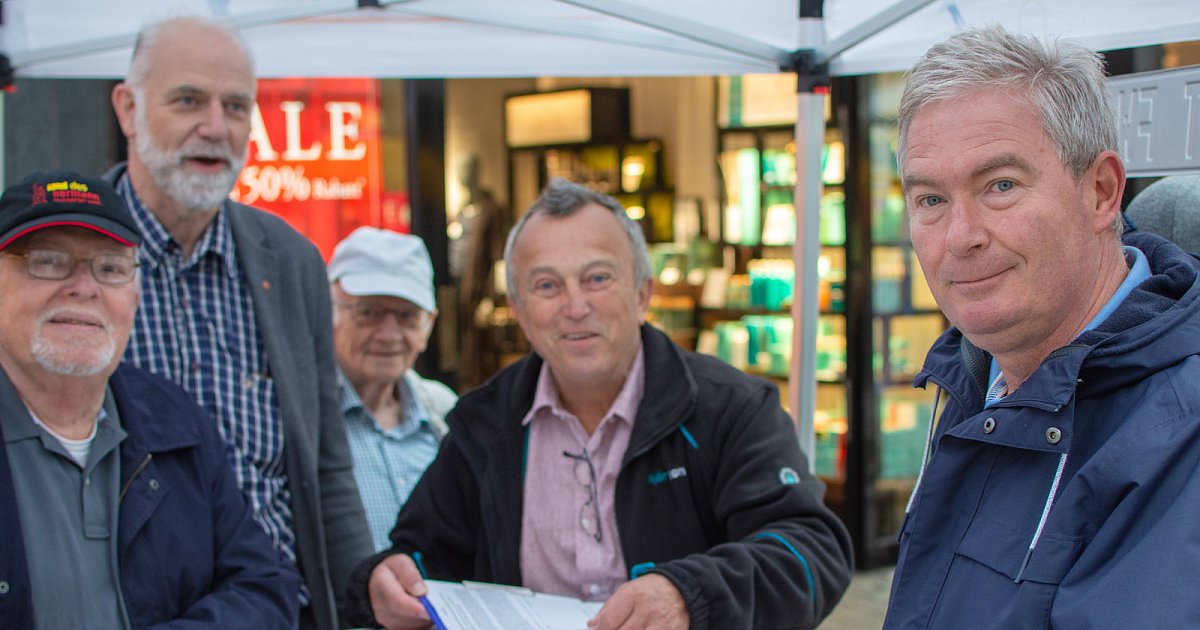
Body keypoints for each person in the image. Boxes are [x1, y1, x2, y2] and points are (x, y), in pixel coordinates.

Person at [344, 178, 853, 630]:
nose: (574, 306)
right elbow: (420, 556)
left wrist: (689, 597)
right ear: (519, 312)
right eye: (547, 285)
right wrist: (383, 580)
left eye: (597, 278)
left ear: (642, 294)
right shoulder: (485, 423)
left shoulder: (729, 409)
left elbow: (813, 553)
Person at [886, 26, 1200, 628]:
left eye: (1000, 186)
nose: (960, 236)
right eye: (930, 199)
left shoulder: (1177, 431)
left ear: (1101, 192)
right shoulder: (975, 374)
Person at [105, 15, 371, 629]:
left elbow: (325, 467)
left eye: (236, 106)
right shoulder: (72, 260)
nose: (215, 128)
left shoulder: (293, 261)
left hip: (285, 612)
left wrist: (359, 602)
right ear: (128, 108)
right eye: (188, 100)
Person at [0, 170, 301, 628]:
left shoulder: (176, 424)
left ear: (135, 297)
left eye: (111, 268)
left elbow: (264, 587)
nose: (84, 287)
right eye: (48, 261)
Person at [328, 227, 458, 552]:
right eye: (368, 313)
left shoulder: (445, 412)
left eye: (407, 316)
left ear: (429, 324)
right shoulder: (301, 415)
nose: (389, 334)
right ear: (329, 311)